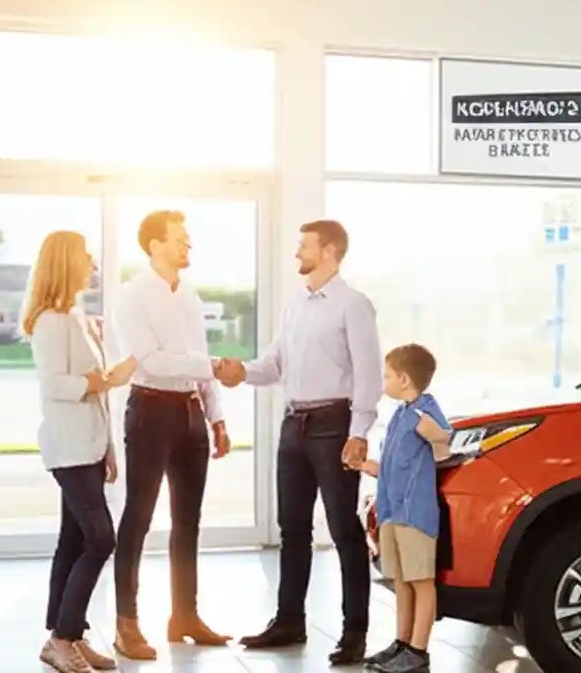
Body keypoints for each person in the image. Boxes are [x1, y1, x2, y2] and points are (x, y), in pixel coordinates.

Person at [214, 219, 381, 665]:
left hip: (334, 424)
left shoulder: (353, 305)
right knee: (292, 528)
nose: (297, 253)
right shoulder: (295, 306)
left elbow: (369, 374)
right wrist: (241, 372)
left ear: (329, 250)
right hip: (294, 425)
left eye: (304, 245)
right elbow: (274, 365)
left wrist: (359, 432)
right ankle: (289, 621)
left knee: (344, 530)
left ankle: (354, 632)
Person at [111, 210, 233, 661]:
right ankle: (126, 624)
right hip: (151, 410)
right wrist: (210, 365)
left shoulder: (190, 296)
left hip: (190, 412)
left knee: (187, 521)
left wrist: (217, 417)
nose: (188, 245)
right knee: (139, 517)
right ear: (154, 245)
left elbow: (199, 358)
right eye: (180, 238)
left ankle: (185, 615)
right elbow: (152, 361)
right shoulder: (133, 295)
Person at [22, 231, 136, 673]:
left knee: (72, 540)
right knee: (101, 539)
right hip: (68, 447)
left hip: (86, 445)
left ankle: (67, 634)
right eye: (86, 257)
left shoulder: (75, 315)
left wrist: (107, 448)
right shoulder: (51, 321)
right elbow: (54, 384)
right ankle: (62, 637)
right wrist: (100, 381)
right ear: (67, 262)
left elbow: (95, 389)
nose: (92, 264)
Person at [352, 344, 452, 673]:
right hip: (392, 513)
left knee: (421, 581)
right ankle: (402, 643)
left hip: (414, 515)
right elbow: (395, 465)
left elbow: (444, 443)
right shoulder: (399, 415)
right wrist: (366, 466)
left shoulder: (425, 411)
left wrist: (436, 436)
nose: (384, 382)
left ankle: (418, 651)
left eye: (387, 376)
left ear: (404, 379)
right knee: (401, 581)